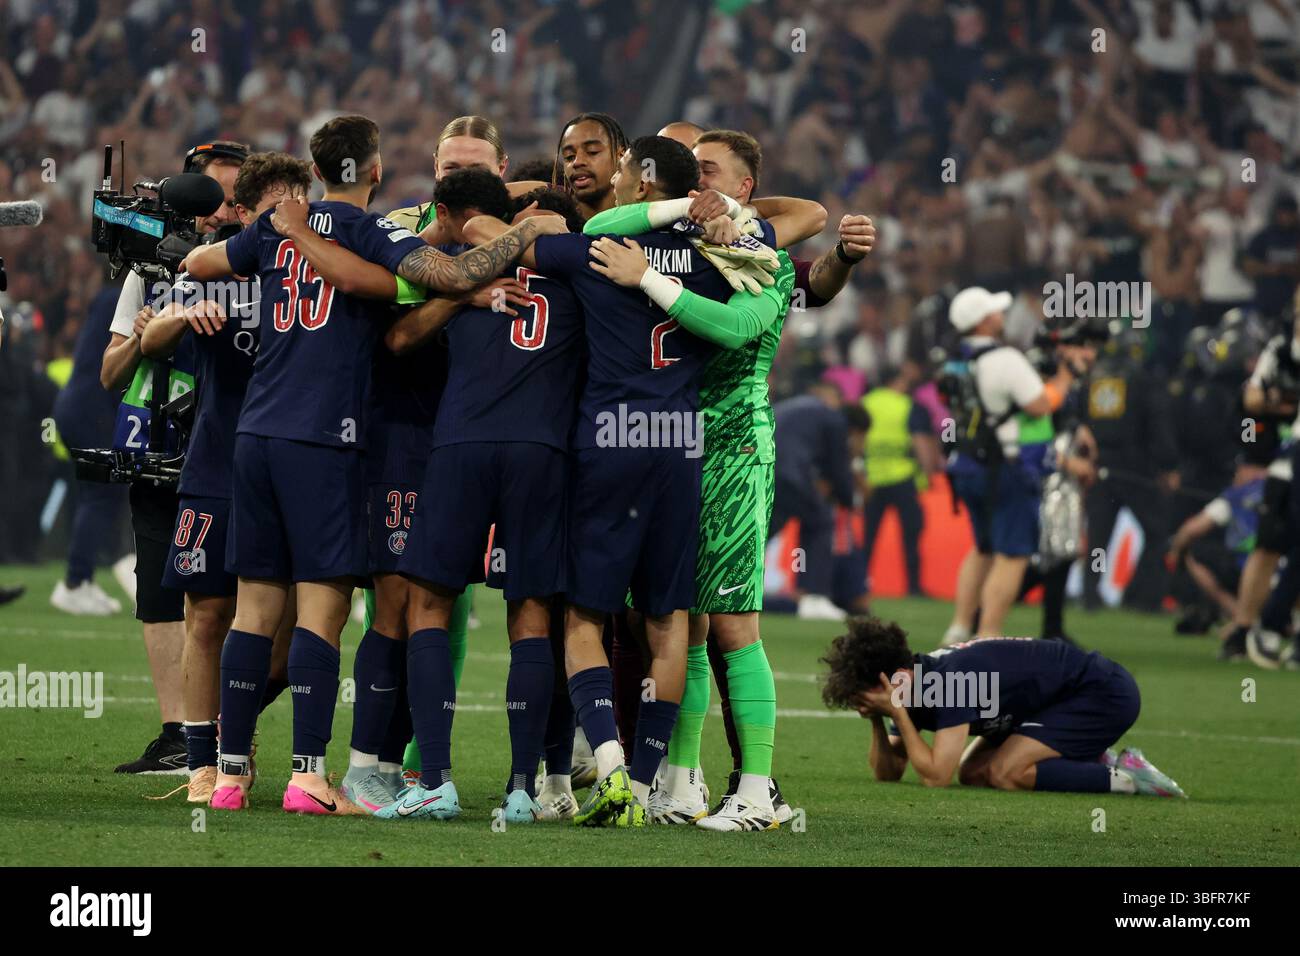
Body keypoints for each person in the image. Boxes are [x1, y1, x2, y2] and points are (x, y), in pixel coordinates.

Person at [182, 115, 563, 815]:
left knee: (253, 610)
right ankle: (306, 777)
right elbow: (445, 274)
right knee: (321, 615)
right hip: (326, 438)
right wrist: (526, 233)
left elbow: (199, 264)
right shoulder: (374, 232)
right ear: (378, 170)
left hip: (255, 432)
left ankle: (229, 778)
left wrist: (274, 239)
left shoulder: (273, 227)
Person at [138, 151, 313, 803]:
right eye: (276, 203)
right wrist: (184, 316)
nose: (291, 212)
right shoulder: (214, 263)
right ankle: (202, 764)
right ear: (245, 213)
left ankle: (231, 728)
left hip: (299, 459)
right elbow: (151, 340)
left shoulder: (321, 259)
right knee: (207, 615)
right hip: (219, 460)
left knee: (293, 631)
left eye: (301, 197)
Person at [98, 140, 247, 775]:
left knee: (238, 597)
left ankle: (223, 729)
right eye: (213, 196)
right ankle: (173, 736)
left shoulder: (258, 262)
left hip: (235, 447)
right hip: (161, 443)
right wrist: (154, 330)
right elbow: (110, 372)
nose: (223, 210)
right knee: (160, 591)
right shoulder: (146, 269)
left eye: (236, 198)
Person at [821, 616, 1187, 797]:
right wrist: (876, 719)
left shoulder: (947, 682)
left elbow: (935, 777)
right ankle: (1090, 758)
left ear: (893, 678)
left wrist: (897, 712)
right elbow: (889, 772)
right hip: (1049, 703)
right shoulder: (911, 681)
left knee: (1004, 773)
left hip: (1101, 693)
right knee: (974, 772)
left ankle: (1126, 777)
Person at [941, 286, 1075, 642]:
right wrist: (1064, 379)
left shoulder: (954, 360)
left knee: (982, 548)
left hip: (967, 466)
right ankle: (988, 634)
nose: (1001, 317)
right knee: (1012, 554)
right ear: (984, 322)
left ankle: (958, 627)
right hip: (1005, 467)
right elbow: (1039, 405)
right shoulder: (1004, 359)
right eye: (995, 312)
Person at [770, 381, 859, 622]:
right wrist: (850, 499)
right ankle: (814, 596)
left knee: (761, 533)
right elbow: (837, 467)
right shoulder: (834, 419)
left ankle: (723, 584)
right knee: (821, 522)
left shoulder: (796, 406)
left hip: (761, 469)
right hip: (789, 475)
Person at [861, 361, 941, 597]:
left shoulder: (866, 403)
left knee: (868, 538)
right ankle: (913, 587)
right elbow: (920, 442)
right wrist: (929, 472)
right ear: (898, 381)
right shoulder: (909, 405)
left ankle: (859, 585)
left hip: (871, 479)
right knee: (911, 535)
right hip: (902, 477)